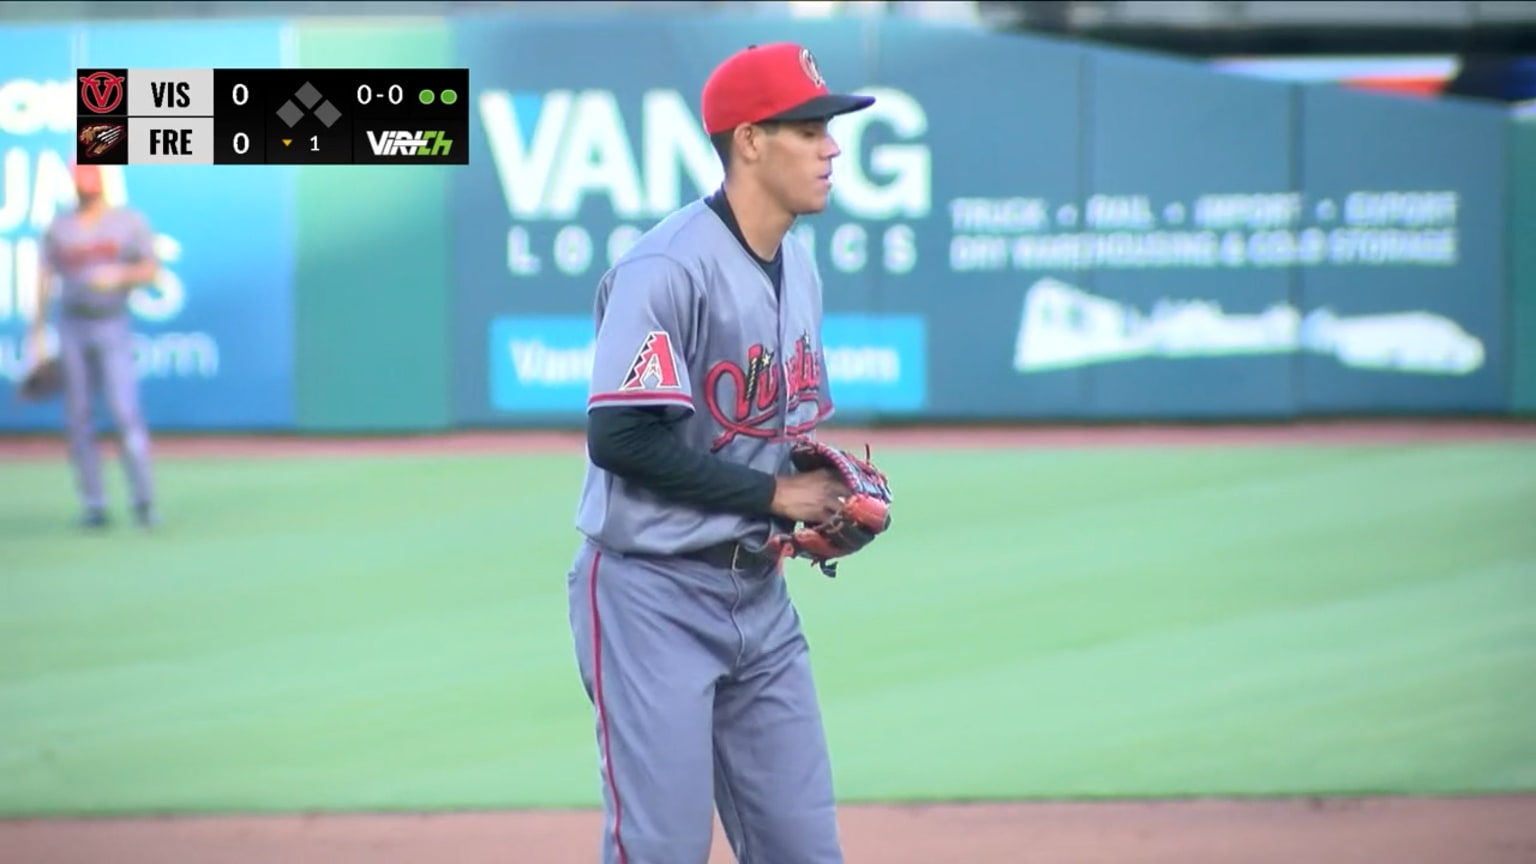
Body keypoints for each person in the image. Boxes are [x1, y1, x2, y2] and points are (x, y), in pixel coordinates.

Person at [566, 42, 874, 864]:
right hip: (651, 596)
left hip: (760, 598)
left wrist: (823, 504)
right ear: (750, 141)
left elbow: (773, 438)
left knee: (802, 851)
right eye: (808, 129)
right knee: (663, 850)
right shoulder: (665, 268)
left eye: (828, 129)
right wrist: (774, 498)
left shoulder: (798, 267)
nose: (831, 148)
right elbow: (620, 437)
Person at [30, 162, 161, 530]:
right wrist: (36, 334)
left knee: (124, 412)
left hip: (111, 322)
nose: (86, 192)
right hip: (72, 324)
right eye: (81, 185)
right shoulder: (60, 227)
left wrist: (119, 275)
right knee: (79, 417)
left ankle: (143, 501)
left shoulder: (127, 222)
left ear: (101, 185)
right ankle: (94, 504)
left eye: (90, 185)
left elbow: (151, 270)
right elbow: (44, 277)